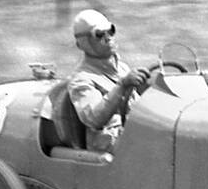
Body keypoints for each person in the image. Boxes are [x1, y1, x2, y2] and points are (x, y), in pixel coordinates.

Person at [58, 9, 150, 153]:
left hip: (134, 136)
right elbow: (94, 119)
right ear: (82, 43)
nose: (108, 38)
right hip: (109, 147)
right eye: (99, 35)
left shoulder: (122, 68)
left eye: (111, 31)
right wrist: (122, 85)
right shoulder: (81, 79)